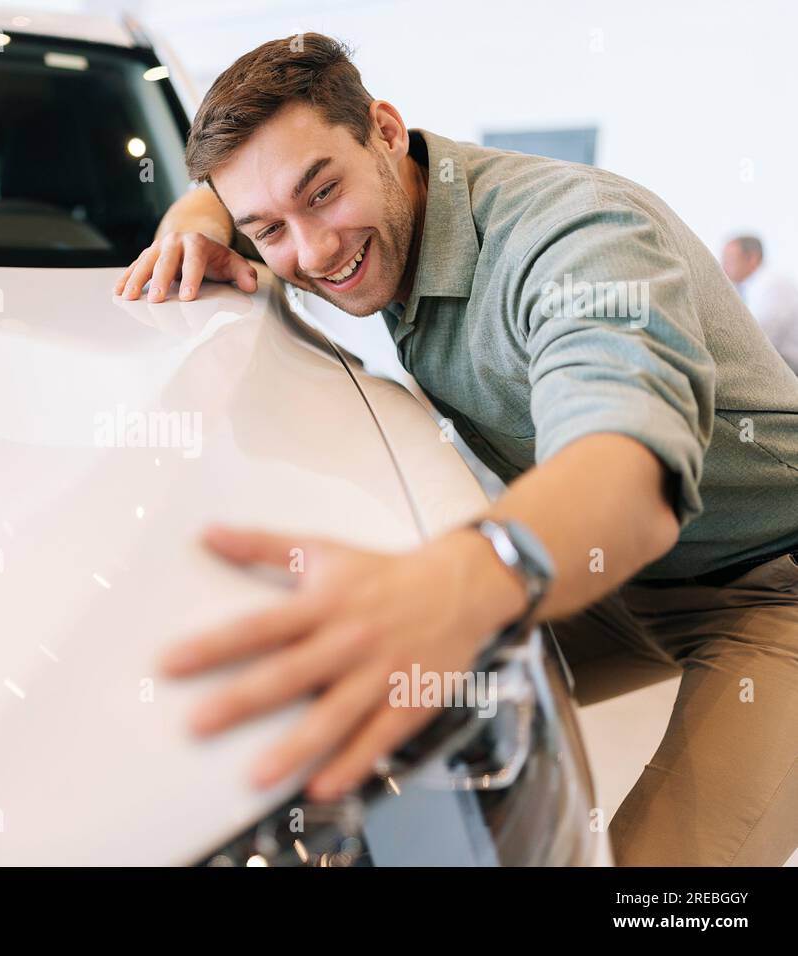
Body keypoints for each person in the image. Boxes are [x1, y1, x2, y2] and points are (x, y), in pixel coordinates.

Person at [117, 34, 798, 866]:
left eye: (323, 193)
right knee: (366, 708)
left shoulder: (576, 236)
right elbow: (258, 187)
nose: (316, 251)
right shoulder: (353, 209)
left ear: (387, 129)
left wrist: (471, 574)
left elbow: (629, 468)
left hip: (771, 587)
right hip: (613, 577)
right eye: (268, 230)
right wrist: (196, 213)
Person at [721, 235, 798, 373]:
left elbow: (759, 339)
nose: (723, 266)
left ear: (752, 258)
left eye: (730, 260)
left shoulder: (772, 285)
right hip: (777, 360)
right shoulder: (746, 287)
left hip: (790, 365)